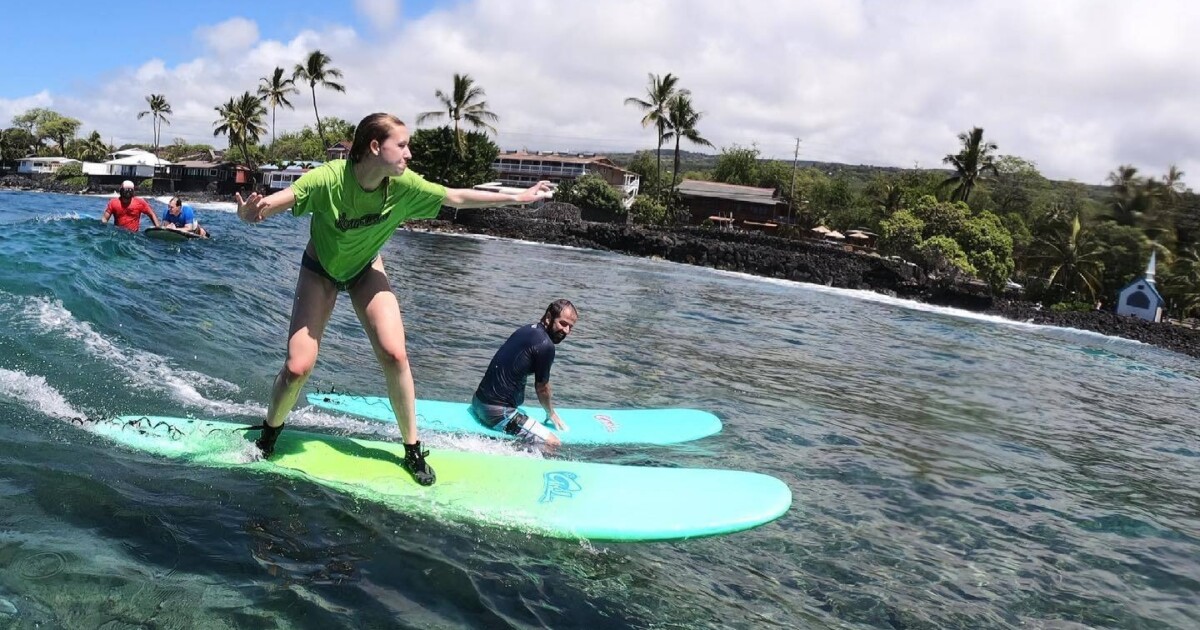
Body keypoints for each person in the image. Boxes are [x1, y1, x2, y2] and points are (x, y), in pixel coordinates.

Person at [234, 112, 552, 486]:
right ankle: (269, 434)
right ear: (374, 147)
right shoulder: (330, 178)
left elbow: (455, 197)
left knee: (395, 353)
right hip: (320, 269)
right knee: (297, 367)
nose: (409, 153)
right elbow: (278, 201)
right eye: (402, 145)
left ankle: (412, 448)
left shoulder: (403, 185)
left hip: (366, 269)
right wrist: (249, 212)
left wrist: (520, 196)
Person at [469, 300, 578, 446]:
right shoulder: (546, 345)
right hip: (496, 413)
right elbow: (542, 388)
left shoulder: (527, 330)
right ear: (548, 317)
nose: (566, 331)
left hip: (477, 402)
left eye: (570, 327)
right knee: (552, 443)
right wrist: (550, 413)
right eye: (563, 323)